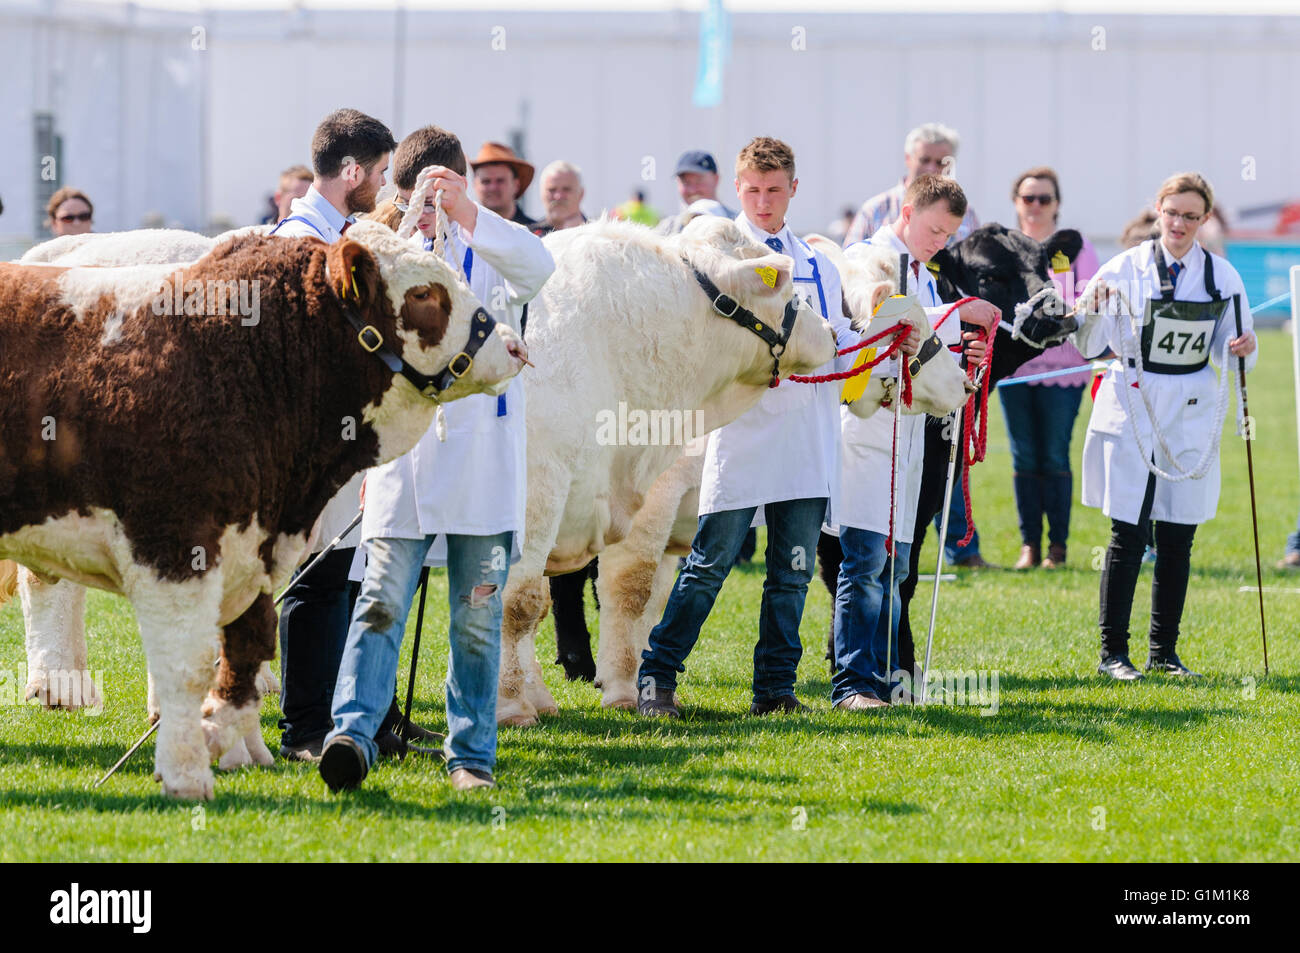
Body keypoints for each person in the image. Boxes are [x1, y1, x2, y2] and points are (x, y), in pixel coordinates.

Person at [319, 125, 550, 792]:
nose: (428, 206)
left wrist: (471, 215)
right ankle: (353, 735)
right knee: (380, 605)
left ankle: (470, 755)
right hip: (405, 465)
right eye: (416, 193)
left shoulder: (496, 248)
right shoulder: (393, 254)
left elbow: (541, 270)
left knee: (476, 620)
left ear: (463, 185)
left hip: (482, 466)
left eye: (439, 192)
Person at [636, 136, 856, 718]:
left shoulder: (817, 266)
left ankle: (775, 689)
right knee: (709, 563)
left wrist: (883, 338)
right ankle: (656, 676)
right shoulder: (718, 258)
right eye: (753, 191)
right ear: (737, 189)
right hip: (739, 429)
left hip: (805, 435)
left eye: (774, 190)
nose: (763, 202)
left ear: (793, 190)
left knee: (792, 572)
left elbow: (836, 345)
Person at [1074, 172, 1256, 681]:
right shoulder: (1122, 268)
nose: (1179, 223)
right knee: (1128, 531)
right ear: (1158, 210)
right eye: (1172, 212)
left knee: (1178, 534)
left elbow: (1230, 346)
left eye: (1191, 216)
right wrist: (1089, 311)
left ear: (1204, 220)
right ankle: (1113, 653)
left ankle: (1164, 651)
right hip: (1133, 402)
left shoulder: (1222, 276)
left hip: (1190, 410)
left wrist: (1245, 348)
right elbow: (1088, 346)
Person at [267, 108, 405, 763]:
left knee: (346, 574)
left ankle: (352, 717)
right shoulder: (302, 241)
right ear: (350, 171)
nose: (381, 182)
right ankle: (302, 728)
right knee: (314, 578)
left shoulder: (342, 231)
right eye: (378, 172)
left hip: (344, 436)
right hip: (312, 437)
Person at [833, 174, 995, 710]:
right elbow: (880, 321)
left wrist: (961, 361)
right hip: (866, 428)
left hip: (913, 433)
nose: (939, 241)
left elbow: (927, 345)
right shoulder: (866, 257)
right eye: (932, 229)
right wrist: (957, 313)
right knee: (863, 559)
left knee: (897, 565)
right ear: (906, 212)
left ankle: (887, 677)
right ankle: (853, 683)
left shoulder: (925, 275)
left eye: (948, 235)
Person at [1001, 167, 1100, 570]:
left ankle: (1057, 549)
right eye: (1029, 198)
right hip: (1015, 370)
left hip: (1063, 370)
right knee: (1023, 456)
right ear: (1016, 203)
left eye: (1045, 198)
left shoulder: (1077, 248)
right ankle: (1029, 546)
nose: (1036, 206)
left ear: (1057, 204)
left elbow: (1090, 298)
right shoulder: (1004, 248)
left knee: (1055, 454)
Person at [843, 123, 980, 247]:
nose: (931, 169)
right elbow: (849, 267)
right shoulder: (875, 210)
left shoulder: (967, 215)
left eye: (940, 162)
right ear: (908, 159)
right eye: (924, 160)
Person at [654, 150, 738, 236]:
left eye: (699, 181)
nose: (692, 190)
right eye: (685, 182)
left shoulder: (738, 224)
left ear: (716, 179)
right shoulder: (668, 229)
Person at [469, 141, 536, 227]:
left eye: (500, 180)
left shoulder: (536, 236)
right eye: (486, 181)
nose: (493, 187)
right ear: (474, 185)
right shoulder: (461, 234)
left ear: (516, 185)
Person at [531, 160, 587, 236]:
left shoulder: (598, 236)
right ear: (541, 194)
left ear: (581, 194)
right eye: (552, 190)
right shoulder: (528, 237)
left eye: (566, 189)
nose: (558, 196)